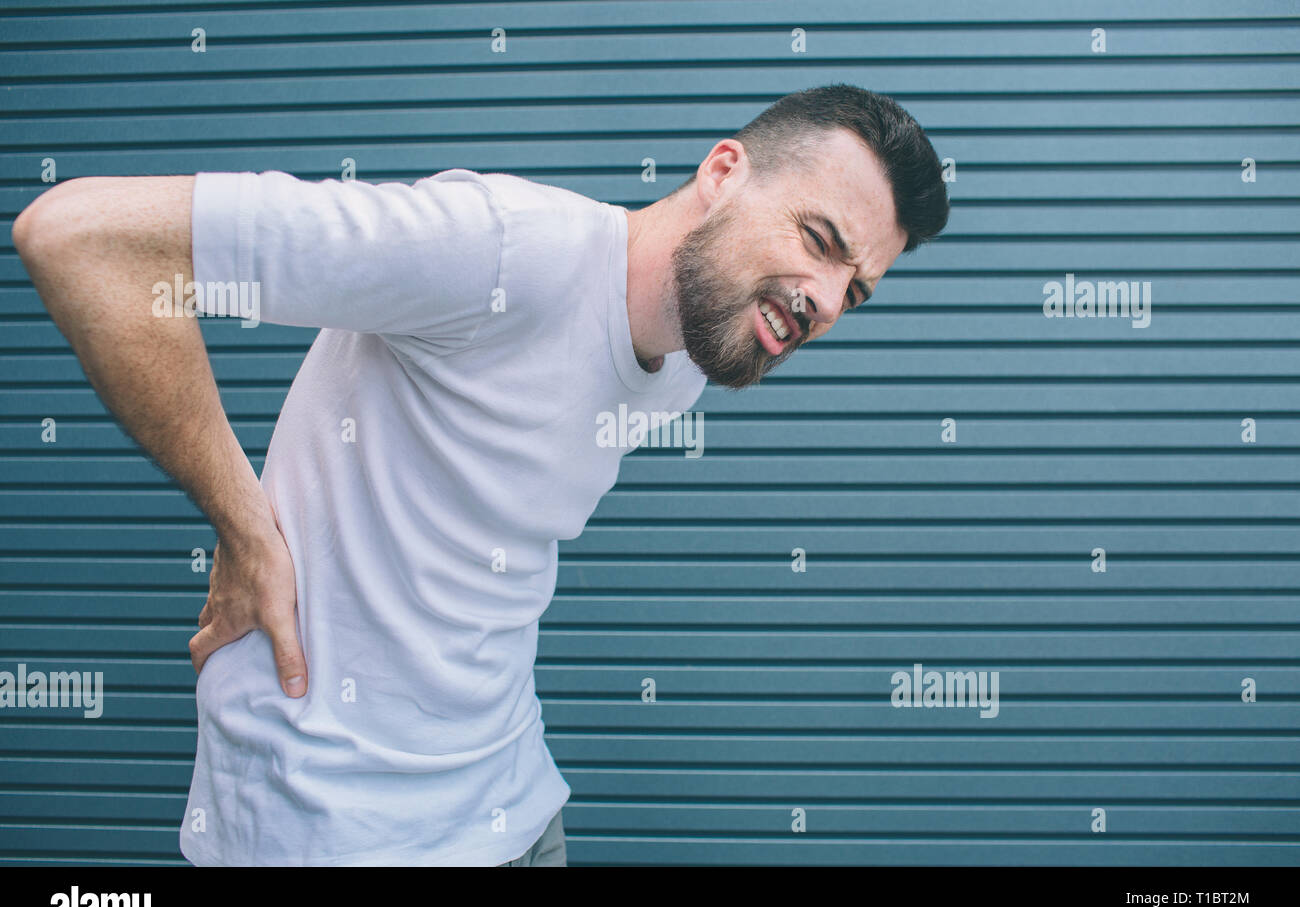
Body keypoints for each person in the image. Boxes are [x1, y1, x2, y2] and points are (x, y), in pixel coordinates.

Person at [13, 84, 949, 866]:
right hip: (332, 820)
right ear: (722, 174)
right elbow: (79, 237)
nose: (825, 301)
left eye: (854, 290)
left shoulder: (692, 358)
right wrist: (244, 524)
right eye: (820, 240)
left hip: (514, 803)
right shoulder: (504, 246)